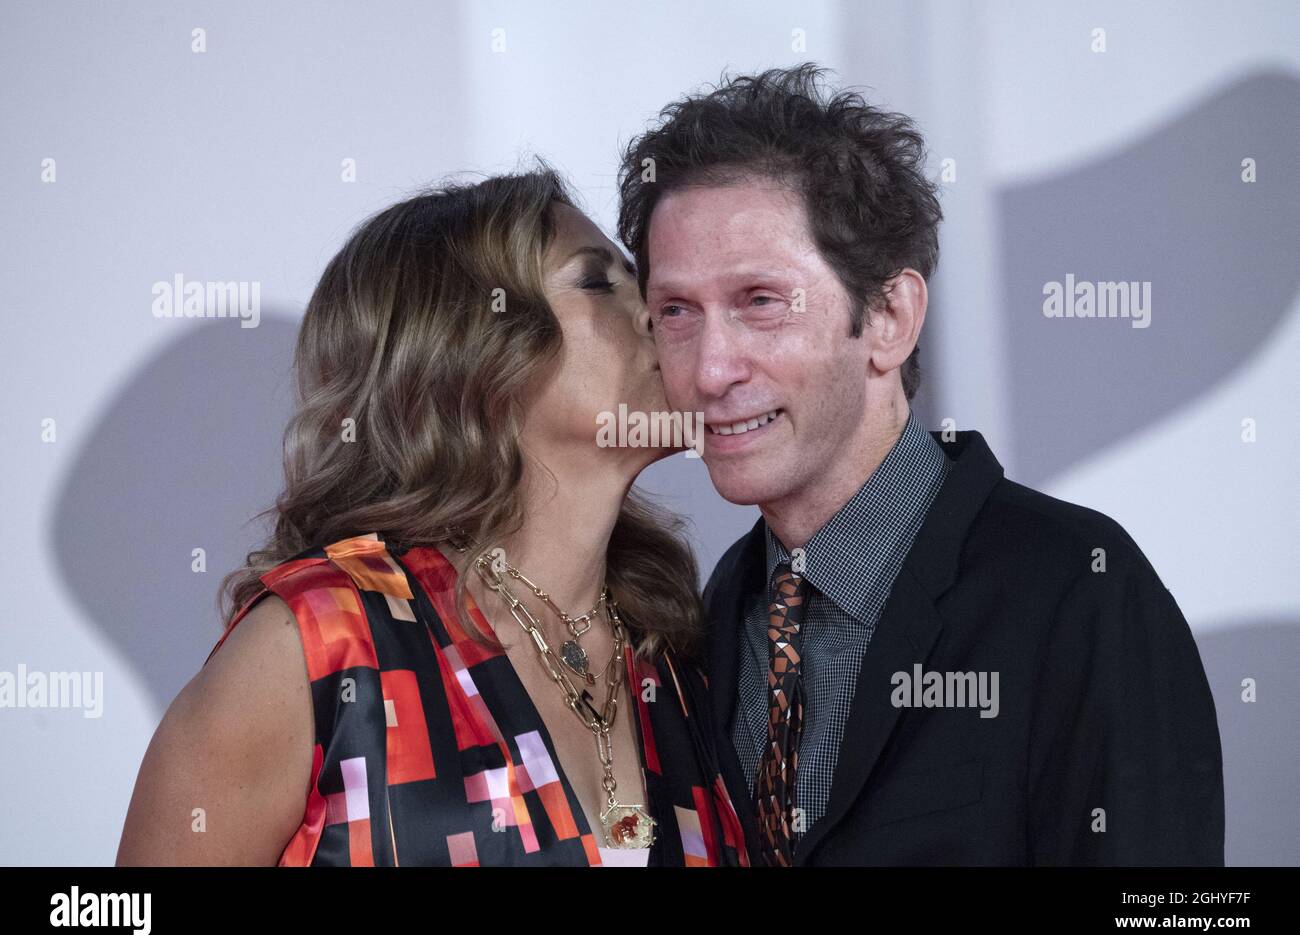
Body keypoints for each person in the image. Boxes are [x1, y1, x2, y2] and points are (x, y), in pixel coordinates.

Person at [616, 63, 1225, 866]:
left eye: (761, 301)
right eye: (677, 313)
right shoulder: (716, 612)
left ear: (891, 318)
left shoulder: (1079, 590)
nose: (709, 371)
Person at [117, 167, 750, 867]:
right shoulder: (320, 648)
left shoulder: (676, 647)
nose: (662, 310)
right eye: (600, 281)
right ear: (471, 350)